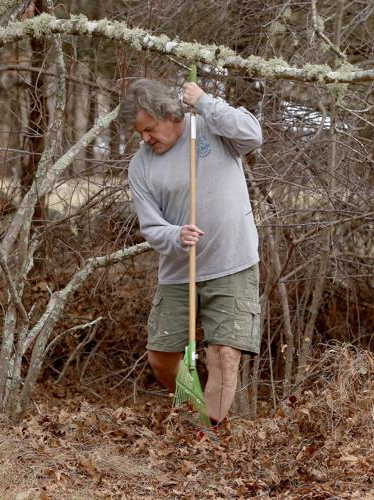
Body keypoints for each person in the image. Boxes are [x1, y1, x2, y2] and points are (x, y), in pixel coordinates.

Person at [120, 78, 263, 427]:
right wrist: (175, 234)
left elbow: (253, 135)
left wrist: (205, 102)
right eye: (140, 133)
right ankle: (195, 411)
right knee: (161, 358)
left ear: (169, 115)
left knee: (225, 355)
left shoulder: (210, 128)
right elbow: (152, 228)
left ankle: (205, 437)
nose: (145, 139)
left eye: (150, 129)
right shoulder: (140, 166)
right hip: (179, 271)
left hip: (233, 262)